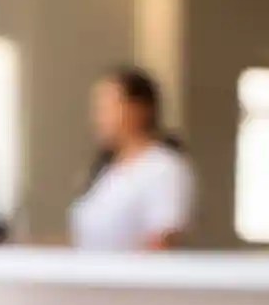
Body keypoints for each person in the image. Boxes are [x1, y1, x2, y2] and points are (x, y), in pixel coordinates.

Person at [70, 67, 194, 251]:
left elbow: (162, 242)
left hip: (130, 279)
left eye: (107, 107)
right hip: (94, 278)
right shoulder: (109, 170)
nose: (99, 118)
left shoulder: (164, 168)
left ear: (139, 109)